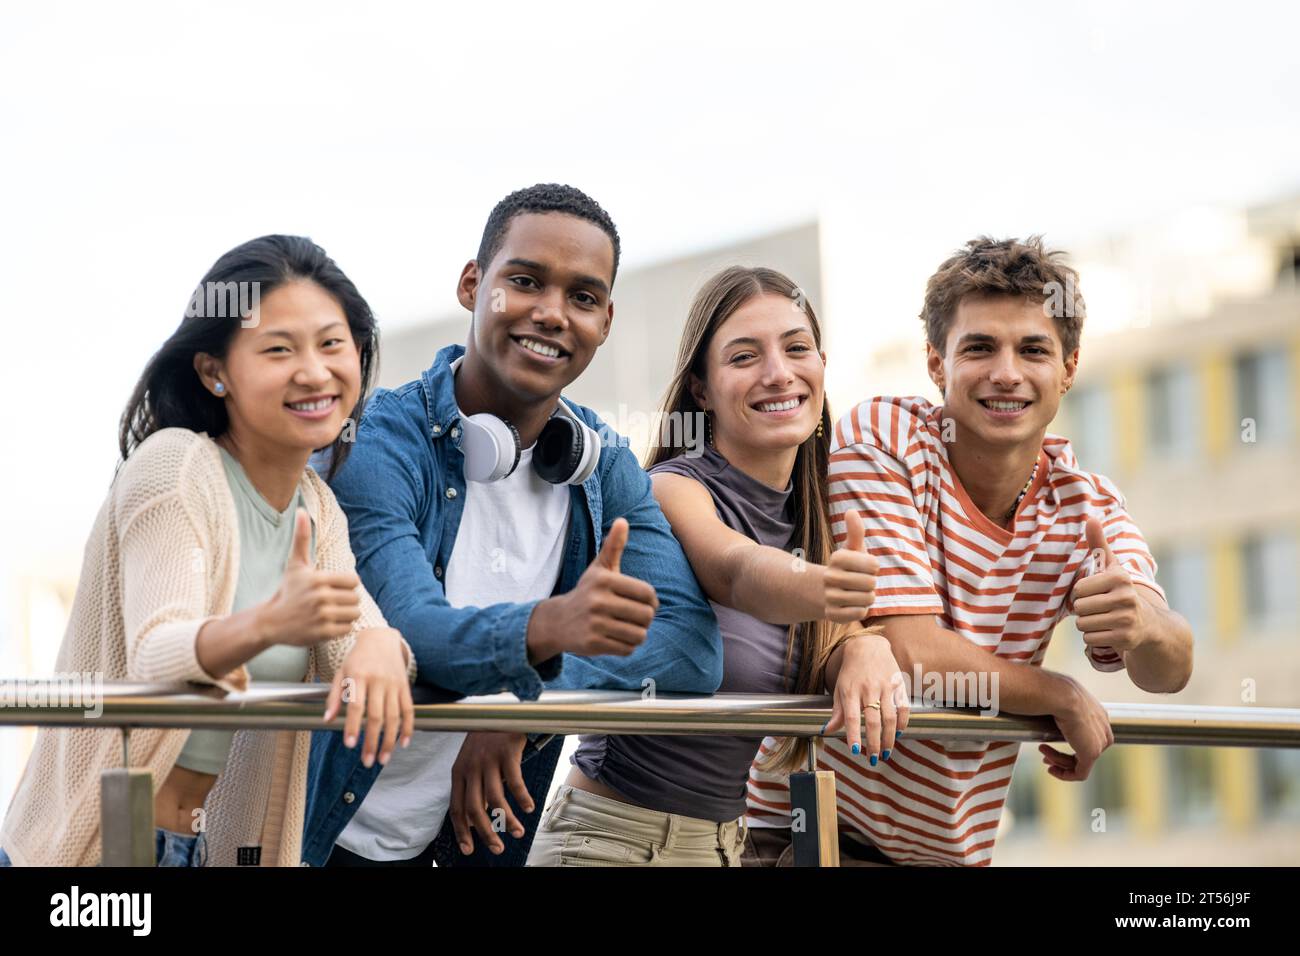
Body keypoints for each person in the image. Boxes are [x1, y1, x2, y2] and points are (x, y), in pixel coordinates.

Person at [303, 184, 721, 868]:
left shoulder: (603, 462)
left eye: (583, 297)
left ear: (606, 320)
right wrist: (546, 631)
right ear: (473, 285)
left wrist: (529, 704)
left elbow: (691, 650)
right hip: (323, 835)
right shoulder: (375, 441)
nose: (552, 314)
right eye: (525, 282)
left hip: (468, 846)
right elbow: (416, 628)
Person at [745, 236, 1194, 866]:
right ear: (936, 363)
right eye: (979, 347)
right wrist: (1060, 694)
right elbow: (911, 651)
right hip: (806, 836)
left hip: (949, 857)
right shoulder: (886, 437)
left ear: (1068, 368)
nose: (1006, 372)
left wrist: (1144, 625)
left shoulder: (1084, 504)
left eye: (1033, 349)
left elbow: (1169, 670)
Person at [0, 235, 414, 867]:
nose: (314, 370)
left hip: (196, 848)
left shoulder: (315, 506)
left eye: (333, 344)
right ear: (214, 371)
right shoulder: (175, 468)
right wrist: (270, 623)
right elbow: (157, 653)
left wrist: (384, 645)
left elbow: (351, 645)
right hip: (97, 853)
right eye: (279, 349)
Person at [525, 265, 908, 867]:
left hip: (722, 846)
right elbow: (735, 571)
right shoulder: (673, 490)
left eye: (796, 348)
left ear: (822, 364)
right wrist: (825, 590)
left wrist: (863, 645)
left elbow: (823, 635)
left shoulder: (813, 516)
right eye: (744, 356)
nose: (778, 372)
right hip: (608, 841)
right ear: (701, 389)